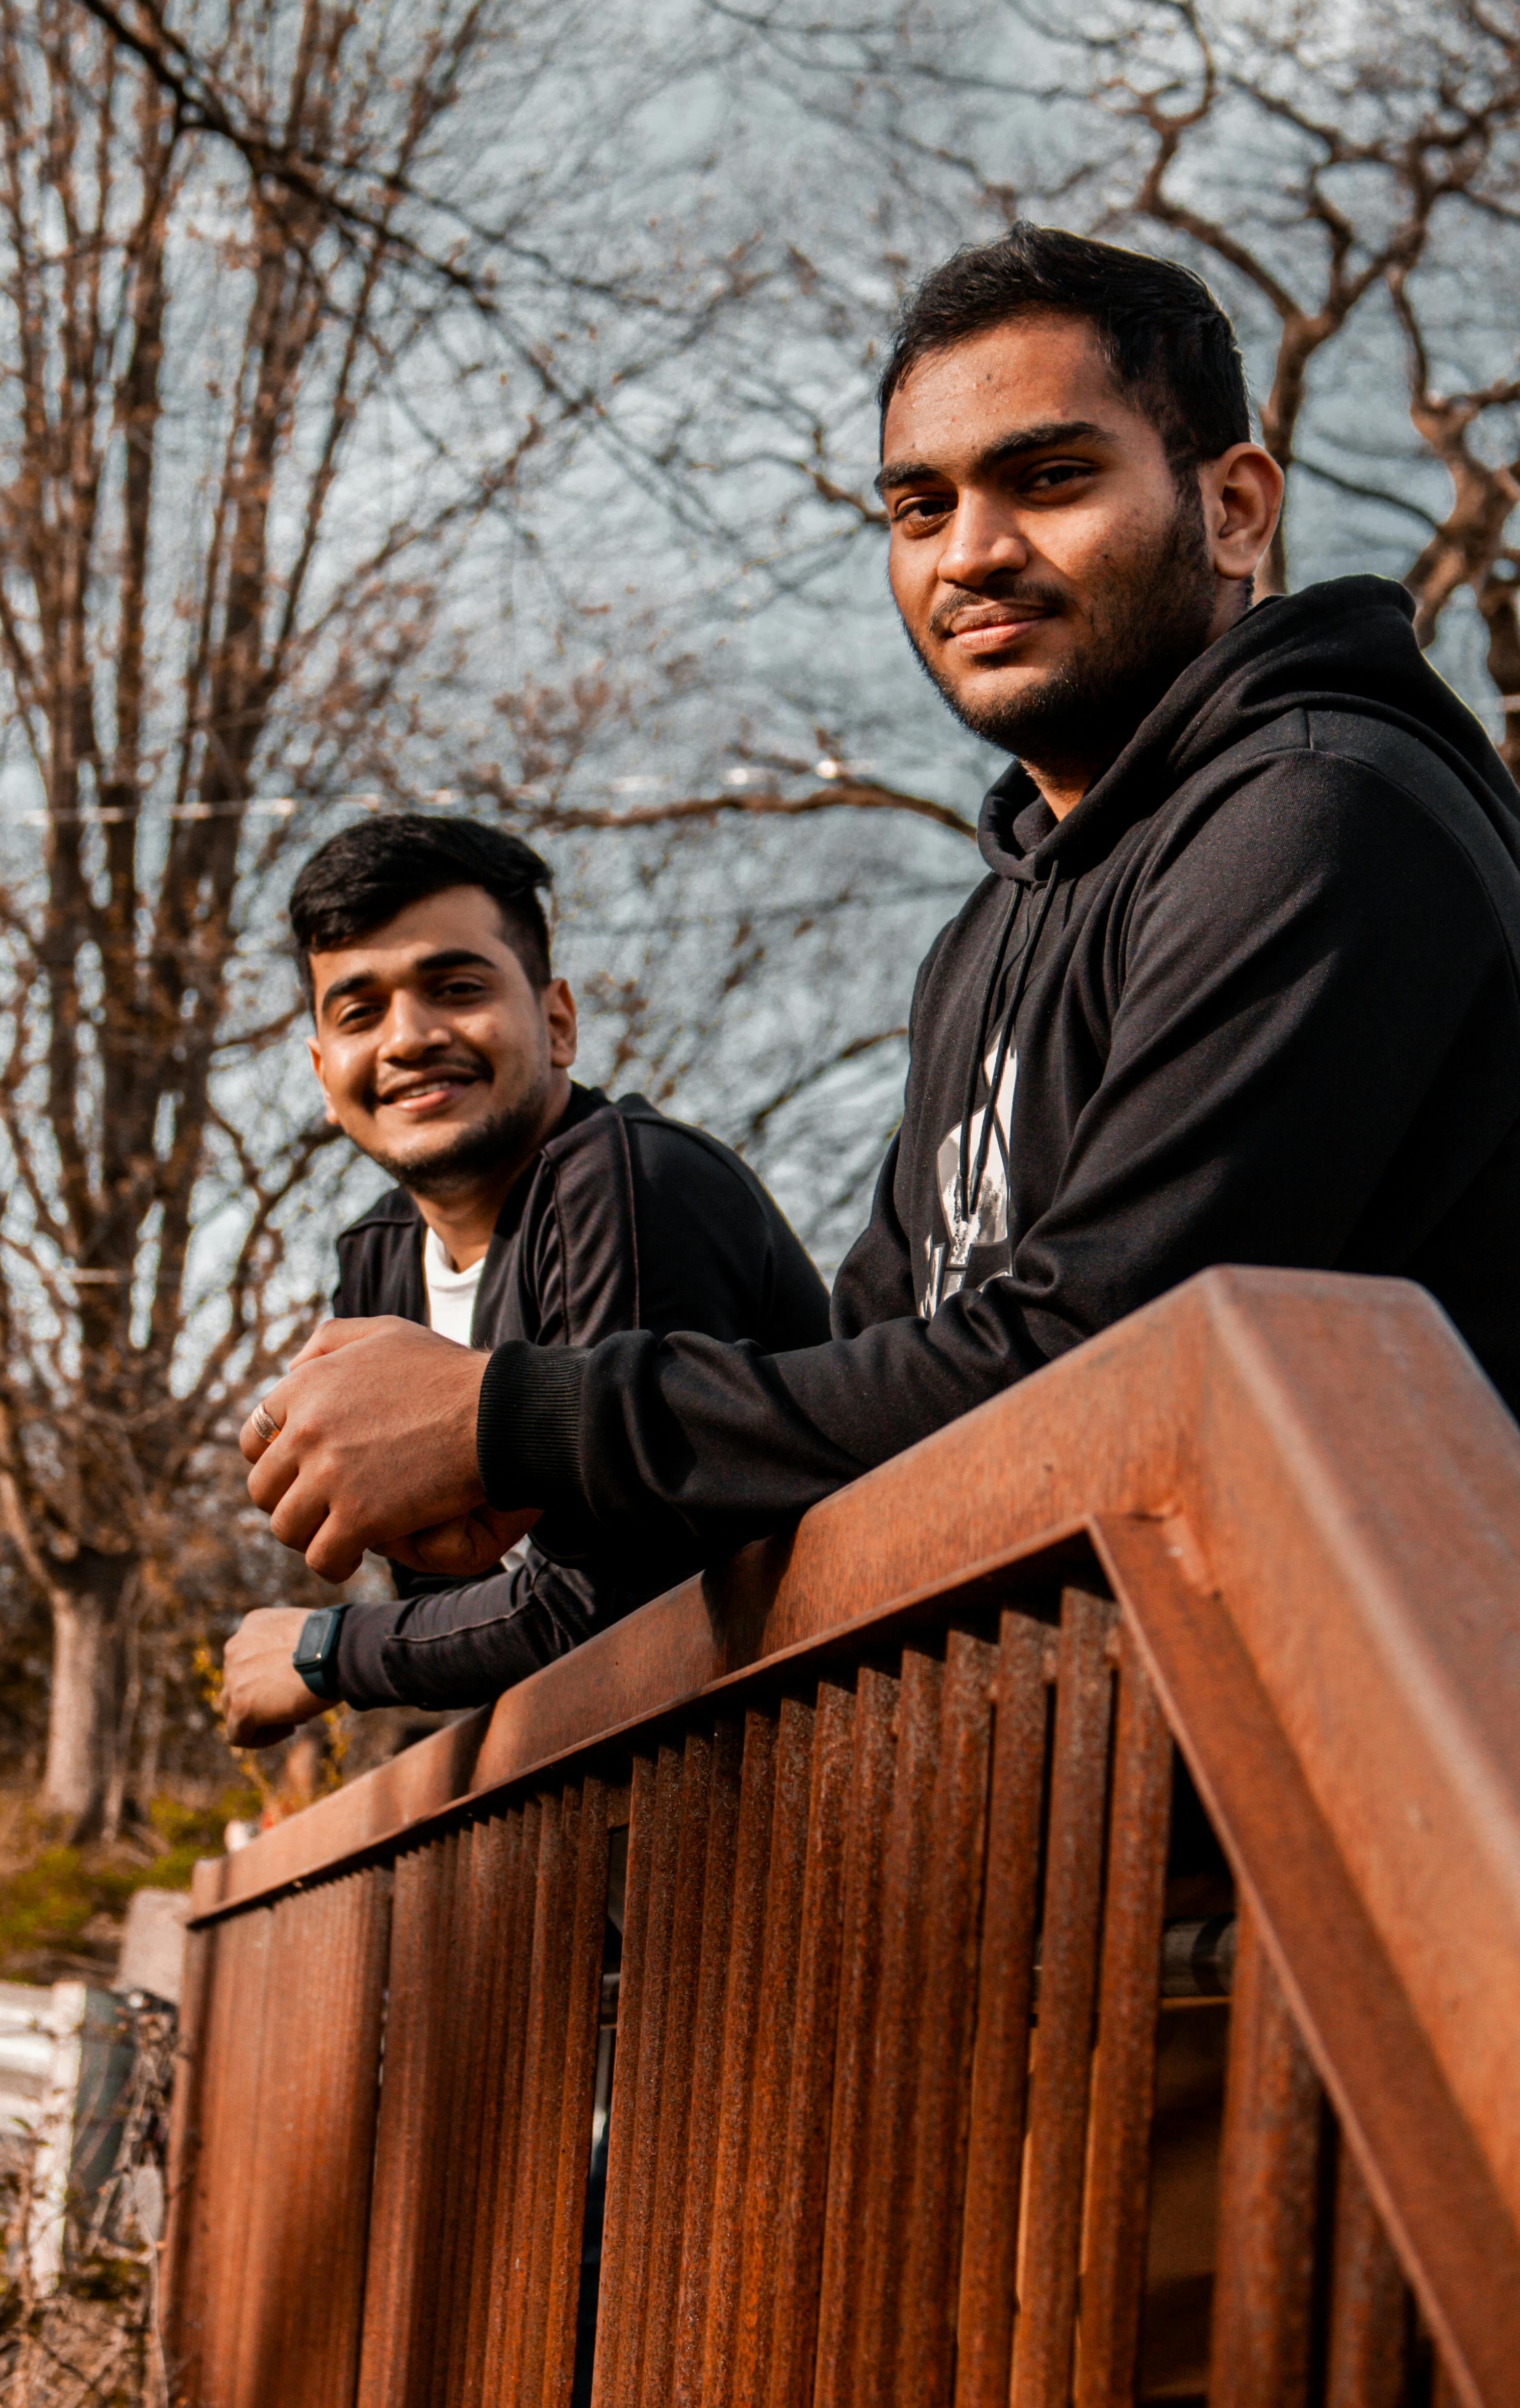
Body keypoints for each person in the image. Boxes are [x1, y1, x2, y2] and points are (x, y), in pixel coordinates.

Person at [235, 224, 1520, 1594]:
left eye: (1050, 478)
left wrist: (515, 1418)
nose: (971, 553)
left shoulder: (1322, 813)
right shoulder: (981, 943)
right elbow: (858, 1377)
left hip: (1394, 1746)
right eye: (919, 509)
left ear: (1235, 508)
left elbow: (1100, 1366)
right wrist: (551, 1490)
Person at [220, 816, 829, 1745]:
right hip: (610, 1795)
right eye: (358, 1011)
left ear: (556, 1021)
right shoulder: (379, 1262)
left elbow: (619, 1610)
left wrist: (328, 1654)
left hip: (788, 1756)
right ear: (321, 1070)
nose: (410, 1037)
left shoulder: (627, 1180)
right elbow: (450, 1601)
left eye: (456, 988)